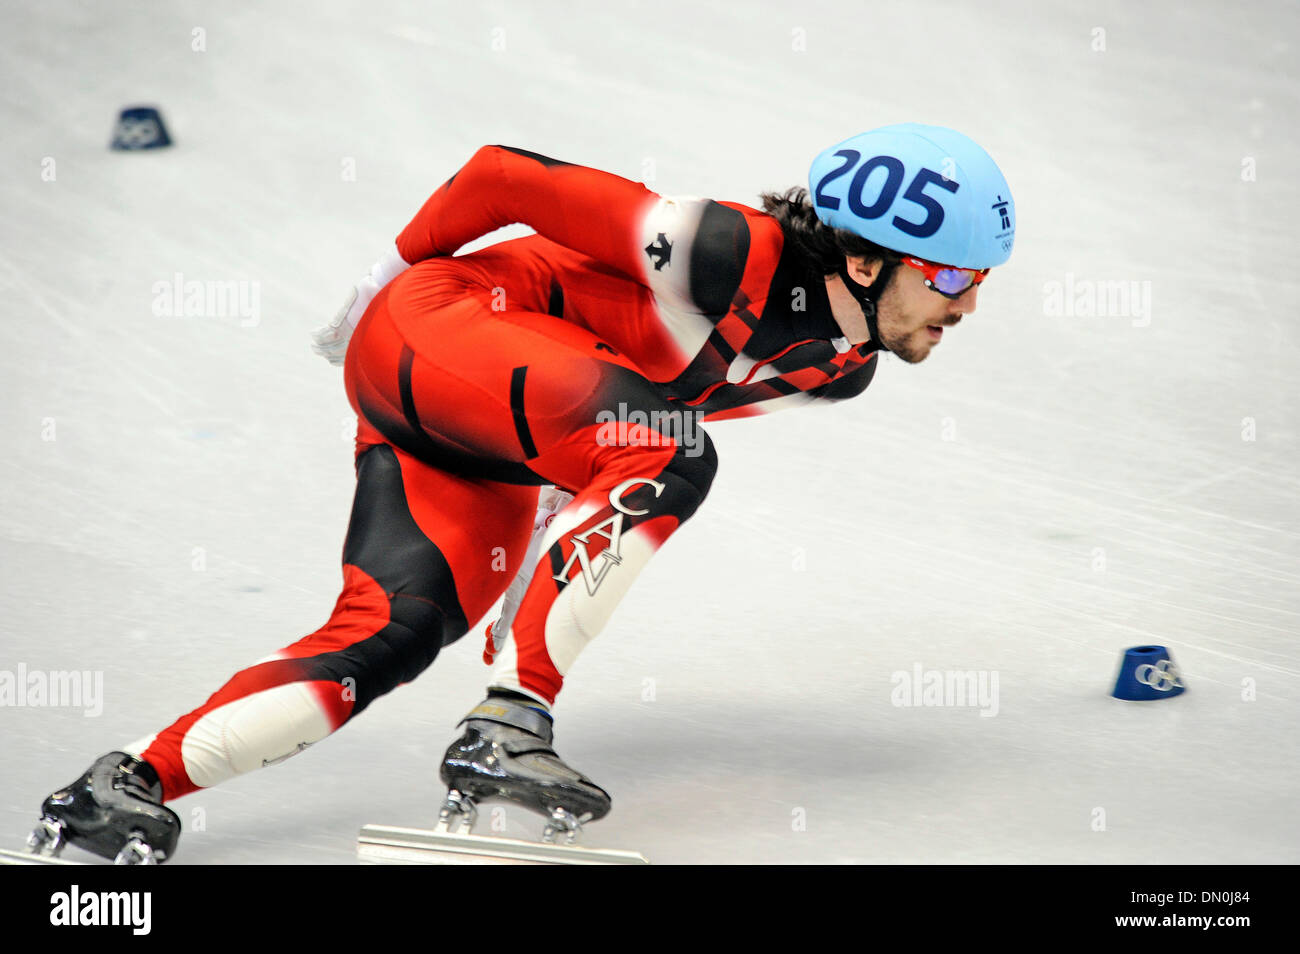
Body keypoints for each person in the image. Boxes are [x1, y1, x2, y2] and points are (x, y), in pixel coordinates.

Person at [27, 123, 1015, 863]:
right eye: (953, 276)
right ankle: (509, 728)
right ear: (861, 255)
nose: (969, 304)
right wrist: (381, 281)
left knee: (394, 632)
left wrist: (562, 513)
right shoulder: (726, 249)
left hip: (475, 426)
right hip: (440, 324)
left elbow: (612, 435)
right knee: (677, 451)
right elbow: (503, 175)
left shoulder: (838, 367)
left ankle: (120, 787)